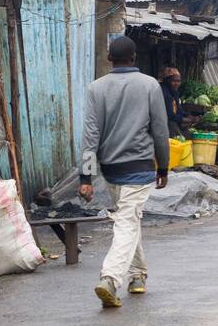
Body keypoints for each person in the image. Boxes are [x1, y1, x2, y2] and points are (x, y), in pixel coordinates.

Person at [79, 36, 170, 308]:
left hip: (111, 170)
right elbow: (160, 130)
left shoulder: (96, 88)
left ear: (110, 59)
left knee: (128, 219)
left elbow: (90, 135)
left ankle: (138, 275)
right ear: (133, 58)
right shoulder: (150, 85)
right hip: (140, 167)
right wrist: (163, 166)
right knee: (128, 222)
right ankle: (110, 278)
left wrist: (85, 177)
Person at [159, 67, 186, 137]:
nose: (176, 84)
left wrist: (188, 115)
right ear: (167, 81)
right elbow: (170, 115)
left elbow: (179, 109)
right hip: (165, 123)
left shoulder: (174, 92)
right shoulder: (165, 93)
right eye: (173, 81)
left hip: (173, 121)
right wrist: (184, 119)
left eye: (178, 81)